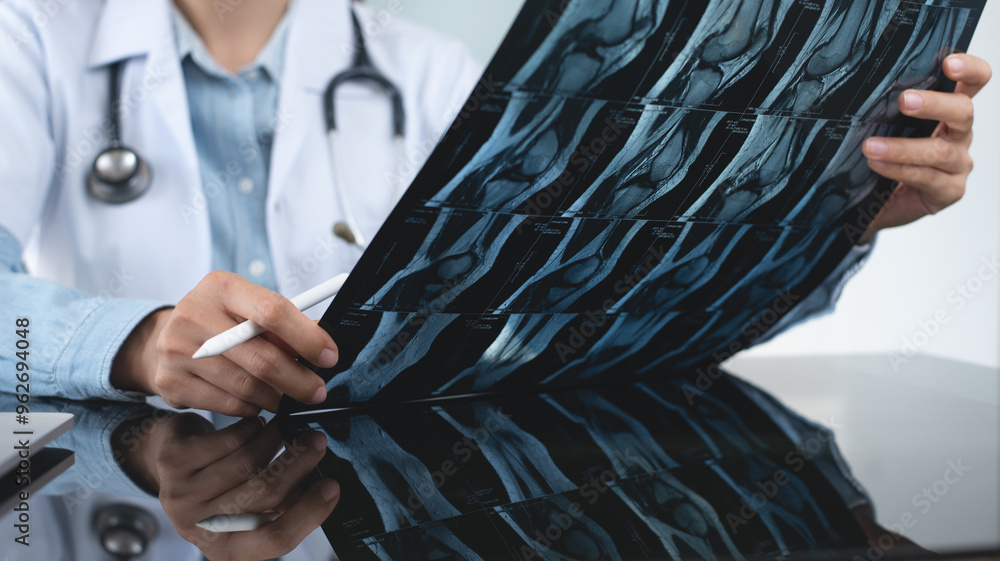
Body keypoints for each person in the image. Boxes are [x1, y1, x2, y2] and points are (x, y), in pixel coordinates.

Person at [0, 0, 991, 558]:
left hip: (362, 502)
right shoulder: (33, 41)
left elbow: (584, 295)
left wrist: (835, 207)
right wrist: (137, 339)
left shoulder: (428, 74)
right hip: (121, 506)